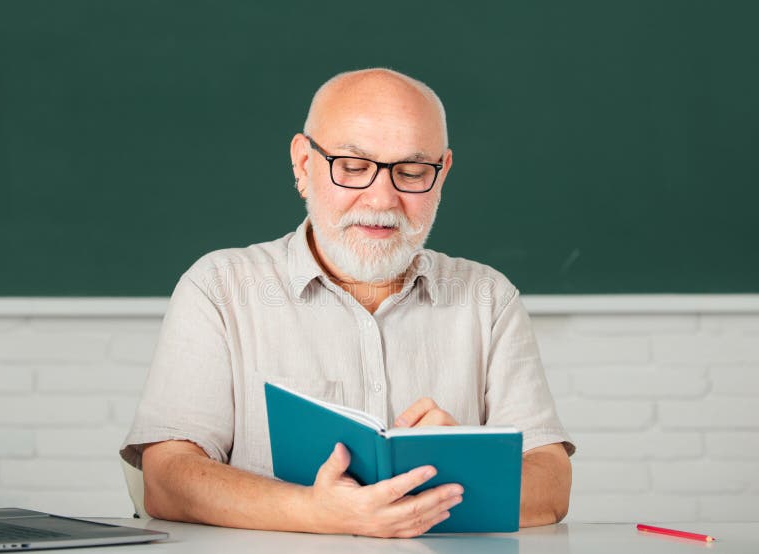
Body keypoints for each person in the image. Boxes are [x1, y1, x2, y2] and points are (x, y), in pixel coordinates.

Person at [120, 68, 574, 538]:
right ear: (302, 164)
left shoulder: (489, 298)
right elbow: (167, 479)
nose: (381, 199)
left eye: (412, 172)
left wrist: (456, 466)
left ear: (443, 174)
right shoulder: (219, 288)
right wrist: (316, 512)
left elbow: (553, 482)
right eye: (353, 167)